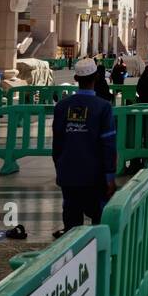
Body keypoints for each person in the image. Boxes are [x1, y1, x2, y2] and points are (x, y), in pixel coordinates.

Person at [51, 58, 117, 237]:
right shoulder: (103, 107)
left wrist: (60, 169)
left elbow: (57, 143)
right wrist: (110, 176)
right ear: (96, 77)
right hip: (94, 175)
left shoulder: (62, 106)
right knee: (99, 221)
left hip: (69, 174)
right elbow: (108, 144)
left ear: (75, 78)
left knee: (72, 224)